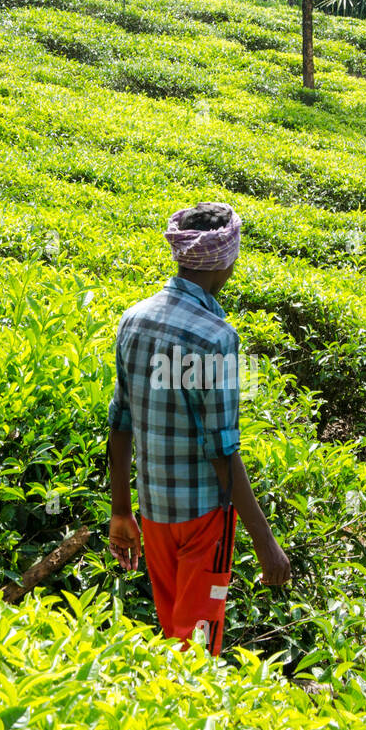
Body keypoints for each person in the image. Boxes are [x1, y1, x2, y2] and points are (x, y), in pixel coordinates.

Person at [107, 201, 291, 655]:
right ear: (226, 260)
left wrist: (120, 510)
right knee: (197, 648)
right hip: (204, 518)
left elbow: (120, 422)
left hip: (154, 512)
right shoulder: (216, 337)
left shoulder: (135, 318)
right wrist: (266, 544)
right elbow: (222, 451)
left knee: (175, 634)